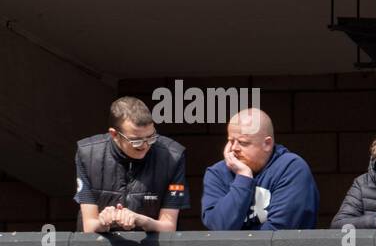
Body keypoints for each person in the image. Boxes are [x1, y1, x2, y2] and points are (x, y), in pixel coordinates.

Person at [75, 97, 187, 233]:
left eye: (151, 137)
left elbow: (169, 227)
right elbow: (89, 226)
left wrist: (139, 219)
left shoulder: (172, 157)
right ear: (114, 134)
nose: (145, 145)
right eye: (136, 141)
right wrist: (106, 220)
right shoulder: (88, 155)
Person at [201, 108, 319, 231]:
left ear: (267, 144)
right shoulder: (217, 173)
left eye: (243, 142)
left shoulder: (291, 168)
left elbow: (279, 233)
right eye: (231, 141)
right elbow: (219, 228)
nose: (234, 148)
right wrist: (243, 178)